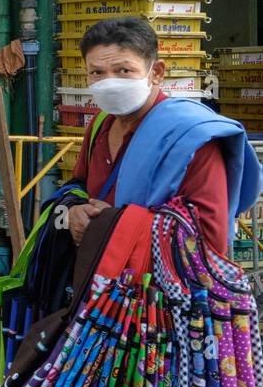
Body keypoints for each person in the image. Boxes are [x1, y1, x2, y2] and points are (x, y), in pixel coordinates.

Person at [69, 16, 261, 254]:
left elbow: (209, 238)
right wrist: (74, 210)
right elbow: (77, 187)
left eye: (123, 70)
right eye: (97, 72)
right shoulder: (100, 124)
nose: (109, 83)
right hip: (101, 280)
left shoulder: (192, 137)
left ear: (156, 72)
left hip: (163, 288)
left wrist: (112, 225)